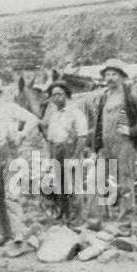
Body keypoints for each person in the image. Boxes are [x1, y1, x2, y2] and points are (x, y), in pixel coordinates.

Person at [84, 59, 137, 235]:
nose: (110, 78)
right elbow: (98, 122)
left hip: (124, 145)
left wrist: (133, 130)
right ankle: (93, 222)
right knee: (96, 182)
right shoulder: (103, 96)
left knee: (124, 185)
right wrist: (95, 145)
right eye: (107, 74)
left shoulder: (130, 96)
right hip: (105, 146)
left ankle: (124, 226)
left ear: (121, 77)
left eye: (114, 74)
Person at [0, 70, 36, 251]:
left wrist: (21, 135)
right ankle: (4, 233)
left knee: (11, 196)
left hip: (10, 154)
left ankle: (18, 233)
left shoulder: (10, 108)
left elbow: (33, 119)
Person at [39, 81, 88, 225]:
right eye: (53, 95)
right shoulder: (54, 116)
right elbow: (50, 139)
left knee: (74, 185)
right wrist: (50, 157)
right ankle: (64, 216)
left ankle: (78, 219)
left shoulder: (75, 113)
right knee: (60, 185)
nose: (57, 98)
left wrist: (74, 156)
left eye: (60, 94)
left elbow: (82, 136)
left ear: (66, 95)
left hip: (70, 150)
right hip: (57, 151)